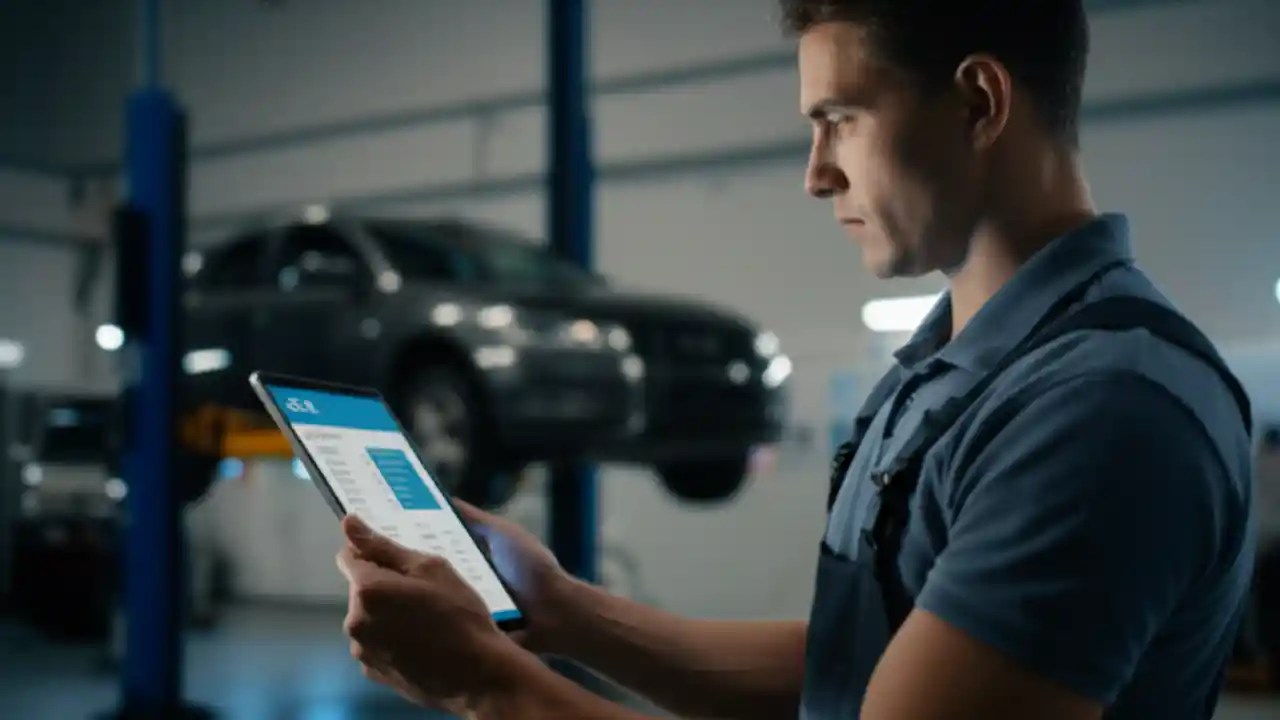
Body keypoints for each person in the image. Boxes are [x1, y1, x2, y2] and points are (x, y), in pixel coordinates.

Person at [334, 1, 1256, 717]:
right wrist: (567, 613)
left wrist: (489, 688)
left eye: (841, 118)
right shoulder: (949, 368)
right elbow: (864, 672)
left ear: (980, 102)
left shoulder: (1104, 408)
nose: (816, 172)